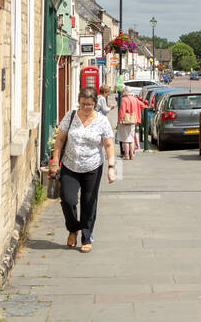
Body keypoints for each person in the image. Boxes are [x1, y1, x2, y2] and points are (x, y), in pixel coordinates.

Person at [49, 87, 115, 251]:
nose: (86, 107)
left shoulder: (102, 120)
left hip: (92, 167)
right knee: (68, 200)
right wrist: (55, 162)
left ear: (95, 104)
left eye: (90, 104)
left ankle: (86, 238)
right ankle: (73, 229)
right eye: (83, 104)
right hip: (70, 166)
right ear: (79, 102)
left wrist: (112, 167)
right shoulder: (70, 116)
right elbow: (60, 139)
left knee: (89, 203)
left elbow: (108, 145)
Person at [117, 88, 147, 159]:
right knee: (131, 139)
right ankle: (131, 155)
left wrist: (119, 120)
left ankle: (126, 155)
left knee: (125, 139)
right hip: (133, 121)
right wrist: (136, 110)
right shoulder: (135, 99)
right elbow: (143, 106)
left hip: (125, 121)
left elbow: (122, 111)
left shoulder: (124, 99)